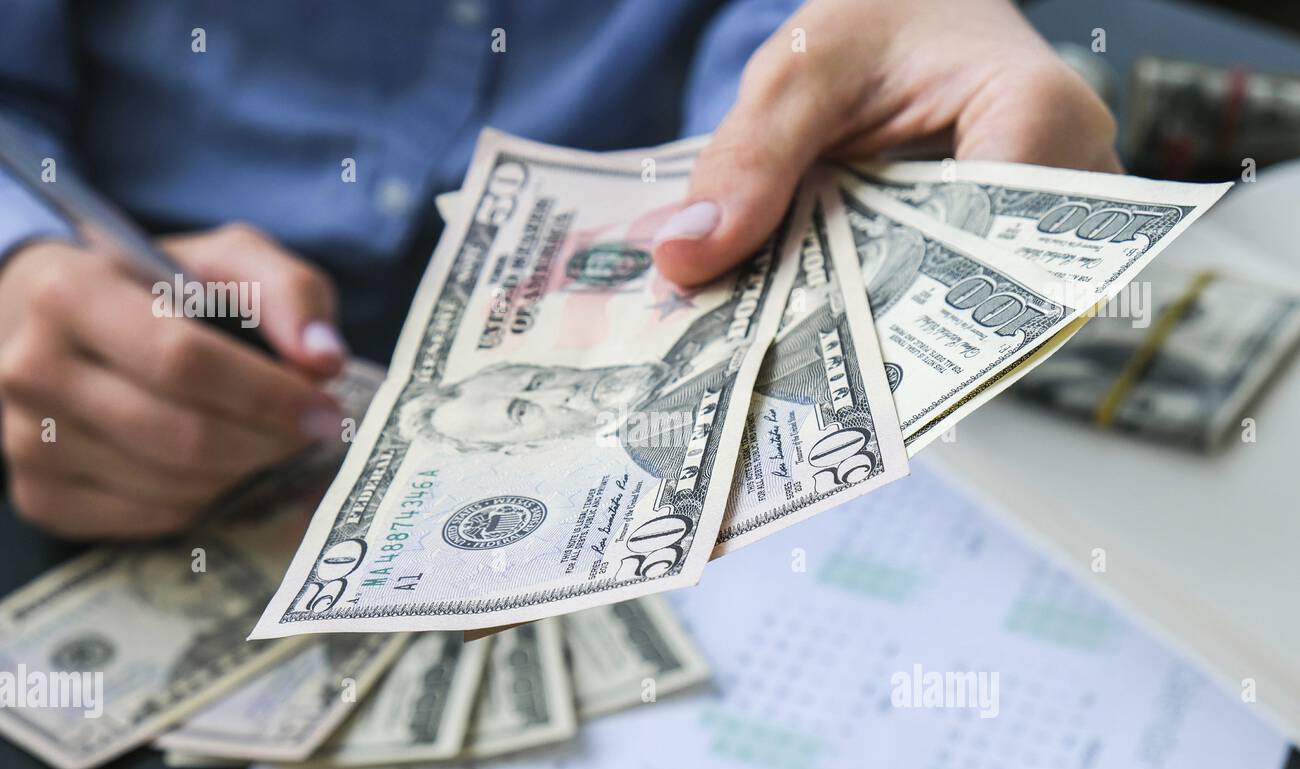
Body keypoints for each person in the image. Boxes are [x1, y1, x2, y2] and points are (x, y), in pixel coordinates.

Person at [0, 0, 1119, 539]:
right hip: (118, 407)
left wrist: (869, 71)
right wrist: (22, 262)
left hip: (702, 415)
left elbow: (802, 32)